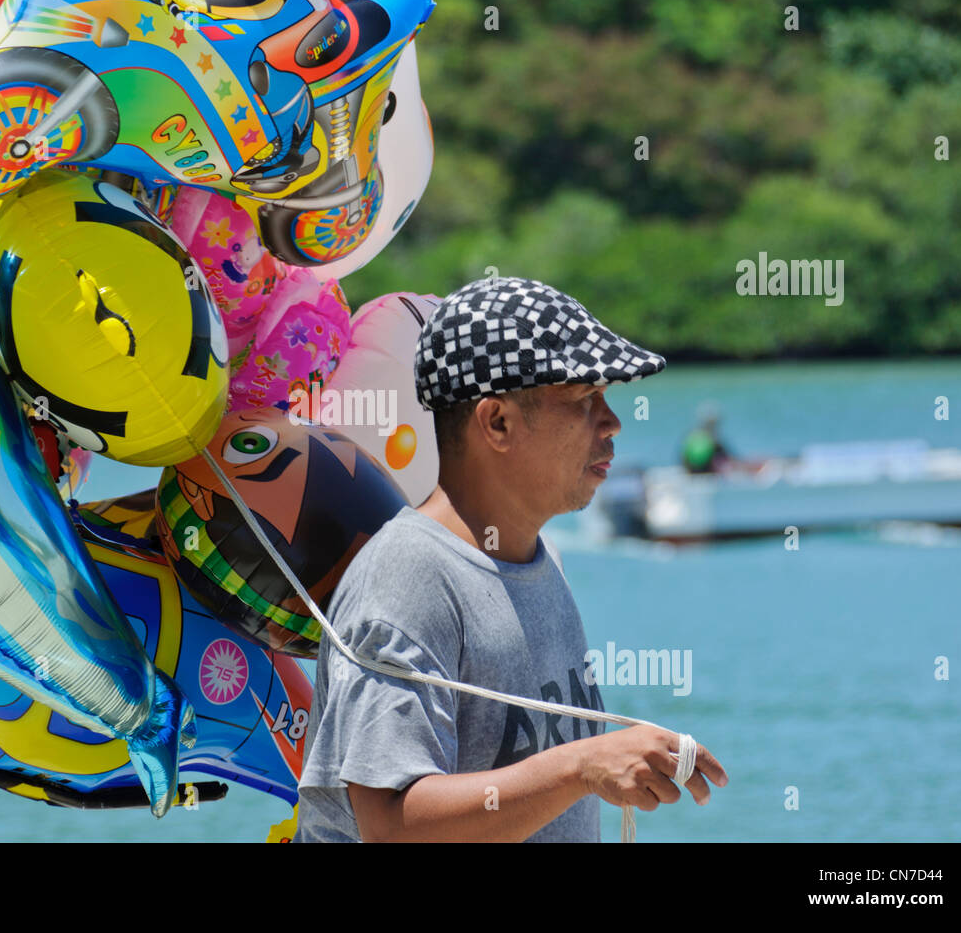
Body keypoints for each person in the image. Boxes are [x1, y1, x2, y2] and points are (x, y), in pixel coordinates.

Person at [294, 276, 727, 842]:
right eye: (582, 399)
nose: (612, 421)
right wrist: (582, 767)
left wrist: (588, 768)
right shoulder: (408, 577)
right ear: (496, 422)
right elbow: (392, 826)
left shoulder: (542, 560)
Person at [681, 404, 733, 474]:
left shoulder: (691, 435)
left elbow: (683, 456)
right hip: (705, 470)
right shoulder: (712, 439)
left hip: (689, 469)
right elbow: (727, 456)